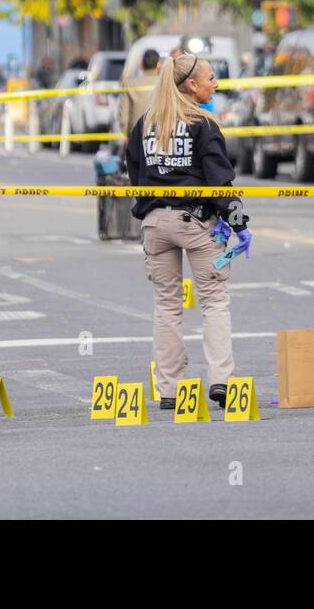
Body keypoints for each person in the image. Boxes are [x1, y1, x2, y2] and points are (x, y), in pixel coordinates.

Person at [125, 54, 250, 411]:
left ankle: (170, 389)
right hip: (195, 223)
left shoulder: (146, 123)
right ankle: (222, 383)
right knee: (214, 301)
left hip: (154, 223)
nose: (216, 84)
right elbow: (219, 183)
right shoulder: (203, 124)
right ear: (192, 85)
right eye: (211, 78)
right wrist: (239, 223)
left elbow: (134, 171)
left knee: (166, 306)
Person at [119, 48, 163, 138]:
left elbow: (123, 116)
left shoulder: (129, 84)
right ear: (159, 65)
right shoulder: (164, 83)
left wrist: (127, 136)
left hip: (136, 134)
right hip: (159, 134)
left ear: (142, 64)